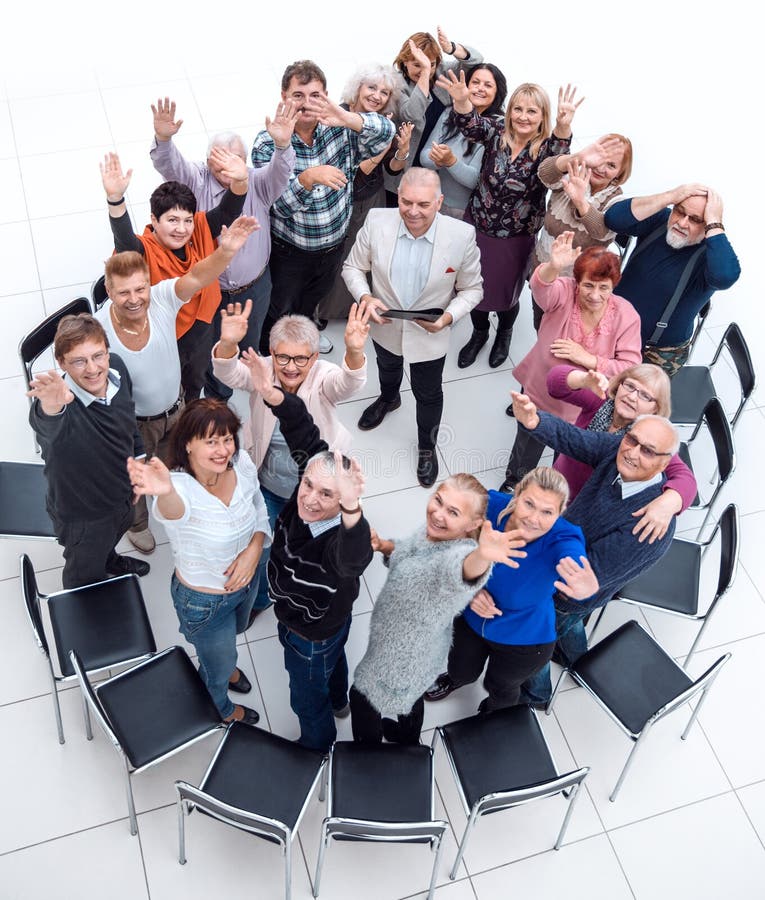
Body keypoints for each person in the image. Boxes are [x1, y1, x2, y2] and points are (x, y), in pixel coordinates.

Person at [508, 391, 688, 707]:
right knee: (567, 625)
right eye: (632, 440)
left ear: (664, 463)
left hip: (573, 588)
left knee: (536, 635)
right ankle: (579, 662)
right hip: (570, 563)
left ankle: (535, 693)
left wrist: (529, 558)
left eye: (648, 451)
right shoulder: (617, 452)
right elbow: (575, 440)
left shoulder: (649, 526)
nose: (633, 453)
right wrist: (536, 420)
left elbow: (586, 575)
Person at [96, 216, 258, 555]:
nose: (134, 299)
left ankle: (185, 503)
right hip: (134, 423)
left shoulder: (162, 297)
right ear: (109, 292)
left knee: (181, 461)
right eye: (123, 292)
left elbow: (198, 275)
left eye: (140, 288)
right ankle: (137, 523)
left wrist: (225, 253)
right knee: (134, 477)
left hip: (176, 408)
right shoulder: (98, 330)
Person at [242, 351, 374, 752]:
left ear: (346, 502)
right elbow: (300, 426)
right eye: (309, 485)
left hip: (310, 632)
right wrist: (270, 392)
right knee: (333, 666)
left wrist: (351, 508)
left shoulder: (340, 542)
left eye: (328, 495)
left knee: (305, 698)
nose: (311, 500)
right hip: (325, 622)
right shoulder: (315, 467)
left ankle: (317, 749)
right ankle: (339, 701)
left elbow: (355, 556)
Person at [211, 299, 370, 615]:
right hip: (269, 484)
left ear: (314, 357)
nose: (291, 367)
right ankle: (261, 598)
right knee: (266, 547)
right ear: (272, 353)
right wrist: (228, 343)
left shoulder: (323, 376)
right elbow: (229, 371)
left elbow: (348, 383)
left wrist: (353, 351)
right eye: (283, 357)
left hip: (315, 488)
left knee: (311, 549)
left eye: (301, 358)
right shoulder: (263, 370)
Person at [350, 473, 527, 744]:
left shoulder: (458, 555)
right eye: (439, 501)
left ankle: (368, 754)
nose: (438, 514)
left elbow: (460, 571)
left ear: (474, 524)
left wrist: (482, 555)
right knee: (413, 696)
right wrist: (384, 546)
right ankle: (408, 740)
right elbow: (410, 551)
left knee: (361, 698)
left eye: (453, 512)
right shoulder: (435, 532)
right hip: (424, 650)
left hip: (403, 655)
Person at [127, 400, 270, 725]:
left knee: (229, 643)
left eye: (227, 439)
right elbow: (172, 511)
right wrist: (163, 491)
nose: (222, 450)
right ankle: (220, 707)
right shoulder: (177, 488)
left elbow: (258, 503)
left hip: (247, 584)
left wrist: (255, 547)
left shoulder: (242, 462)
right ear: (188, 443)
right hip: (205, 602)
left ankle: (224, 664)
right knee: (217, 665)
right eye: (211, 441)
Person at [149, 96, 298, 398]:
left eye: (237, 161)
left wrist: (282, 146)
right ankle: (217, 398)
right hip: (208, 291)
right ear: (208, 162)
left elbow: (281, 173)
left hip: (253, 287)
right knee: (210, 346)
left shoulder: (257, 181)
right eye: (222, 161)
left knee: (248, 342)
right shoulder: (196, 180)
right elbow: (169, 164)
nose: (230, 168)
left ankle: (246, 383)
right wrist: (164, 139)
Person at [342, 167, 483, 487]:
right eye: (406, 202)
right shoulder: (378, 220)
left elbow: (473, 290)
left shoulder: (462, 236)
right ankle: (389, 398)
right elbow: (352, 267)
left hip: (431, 335)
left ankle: (427, 447)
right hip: (384, 325)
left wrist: (448, 318)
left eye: (423, 204)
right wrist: (365, 297)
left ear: (439, 201)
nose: (413, 211)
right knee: (387, 368)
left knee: (429, 392)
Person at [437, 74, 581, 368]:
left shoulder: (546, 149)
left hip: (515, 237)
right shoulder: (496, 130)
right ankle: (478, 334)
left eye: (532, 111)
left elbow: (558, 161)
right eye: (518, 109)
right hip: (478, 226)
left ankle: (504, 332)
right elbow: (470, 125)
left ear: (543, 116)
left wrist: (564, 126)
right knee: (472, 286)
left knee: (506, 293)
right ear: (510, 110)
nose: (523, 117)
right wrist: (462, 100)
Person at [251, 60, 394, 353]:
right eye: (298, 95)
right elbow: (279, 207)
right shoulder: (268, 143)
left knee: (310, 302)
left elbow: (385, 133)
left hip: (332, 246)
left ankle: (304, 341)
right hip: (290, 251)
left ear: (326, 95)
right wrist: (306, 179)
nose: (306, 103)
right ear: (283, 97)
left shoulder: (339, 127)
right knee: (279, 307)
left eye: (315, 95)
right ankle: (272, 355)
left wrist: (345, 116)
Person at [424, 467, 598, 710]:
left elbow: (573, 555)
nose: (533, 518)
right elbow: (446, 544)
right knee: (460, 668)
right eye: (529, 504)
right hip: (473, 619)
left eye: (547, 512)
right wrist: (471, 590)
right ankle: (455, 680)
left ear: (560, 513)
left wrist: (586, 581)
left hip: (524, 639)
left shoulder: (564, 537)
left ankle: (491, 719)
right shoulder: (490, 506)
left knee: (501, 687)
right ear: (517, 495)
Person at [100, 150, 250, 400]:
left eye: (187, 220)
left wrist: (241, 181)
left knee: (195, 384)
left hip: (202, 328)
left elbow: (227, 212)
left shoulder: (200, 227)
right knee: (169, 392)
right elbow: (124, 240)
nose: (182, 229)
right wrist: (116, 200)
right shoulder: (143, 249)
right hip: (168, 339)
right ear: (154, 220)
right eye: (172, 220)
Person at [500, 233, 642, 491]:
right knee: (527, 441)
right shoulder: (564, 291)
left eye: (604, 288)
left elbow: (631, 367)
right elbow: (541, 290)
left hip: (583, 404)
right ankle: (514, 482)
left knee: (568, 451)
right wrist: (554, 266)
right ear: (577, 282)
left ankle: (556, 489)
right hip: (541, 389)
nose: (595, 295)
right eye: (588, 285)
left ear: (614, 286)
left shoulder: (626, 315)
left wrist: (587, 358)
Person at [27, 314, 149, 589]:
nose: (93, 369)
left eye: (98, 356)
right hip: (85, 517)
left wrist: (139, 461)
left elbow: (128, 421)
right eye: (79, 361)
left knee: (112, 540)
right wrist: (52, 406)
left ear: (107, 351)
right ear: (61, 363)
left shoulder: (116, 368)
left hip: (122, 497)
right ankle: (89, 605)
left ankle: (110, 561)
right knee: (83, 573)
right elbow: (46, 423)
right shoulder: (62, 407)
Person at [604, 184, 741, 374]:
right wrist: (670, 196)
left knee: (624, 400)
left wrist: (715, 222)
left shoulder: (710, 255)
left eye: (695, 220)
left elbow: (725, 277)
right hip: (608, 325)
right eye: (679, 211)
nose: (682, 223)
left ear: (708, 226)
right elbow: (613, 219)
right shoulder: (661, 221)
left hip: (654, 353)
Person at [547, 364, 696, 539]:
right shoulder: (600, 401)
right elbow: (554, 382)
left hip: (586, 507)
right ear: (619, 385)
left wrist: (667, 503)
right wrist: (583, 380)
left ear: (655, 409)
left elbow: (686, 479)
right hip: (557, 484)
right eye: (630, 386)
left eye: (645, 396)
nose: (632, 397)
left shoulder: (648, 439)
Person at [317, 64, 410, 320]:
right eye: (372, 88)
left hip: (371, 199)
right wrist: (383, 143)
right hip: (339, 201)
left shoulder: (383, 122)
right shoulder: (338, 116)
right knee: (339, 258)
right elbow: (360, 172)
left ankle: (360, 305)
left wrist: (401, 149)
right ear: (357, 88)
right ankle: (325, 311)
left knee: (366, 255)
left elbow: (393, 169)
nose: (377, 96)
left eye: (384, 92)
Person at [527, 133, 633, 329]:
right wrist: (578, 157)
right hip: (545, 267)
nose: (601, 168)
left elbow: (601, 231)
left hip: (578, 285)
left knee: (563, 331)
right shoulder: (572, 173)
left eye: (611, 165)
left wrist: (580, 202)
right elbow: (544, 173)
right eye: (601, 160)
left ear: (620, 172)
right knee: (540, 321)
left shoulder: (616, 200)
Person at [385, 27, 482, 201]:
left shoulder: (440, 72)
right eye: (417, 64)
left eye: (430, 64)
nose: (425, 70)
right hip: (402, 164)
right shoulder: (396, 82)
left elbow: (476, 62)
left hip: (432, 163)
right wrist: (424, 73)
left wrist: (451, 48)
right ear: (404, 61)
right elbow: (412, 114)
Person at [419, 63, 507, 218]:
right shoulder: (449, 113)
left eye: (488, 85)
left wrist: (451, 161)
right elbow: (424, 156)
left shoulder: (499, 127)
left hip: (467, 213)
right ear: (466, 86)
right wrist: (438, 160)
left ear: (497, 92)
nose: (480, 88)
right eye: (475, 82)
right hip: (433, 203)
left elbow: (476, 181)